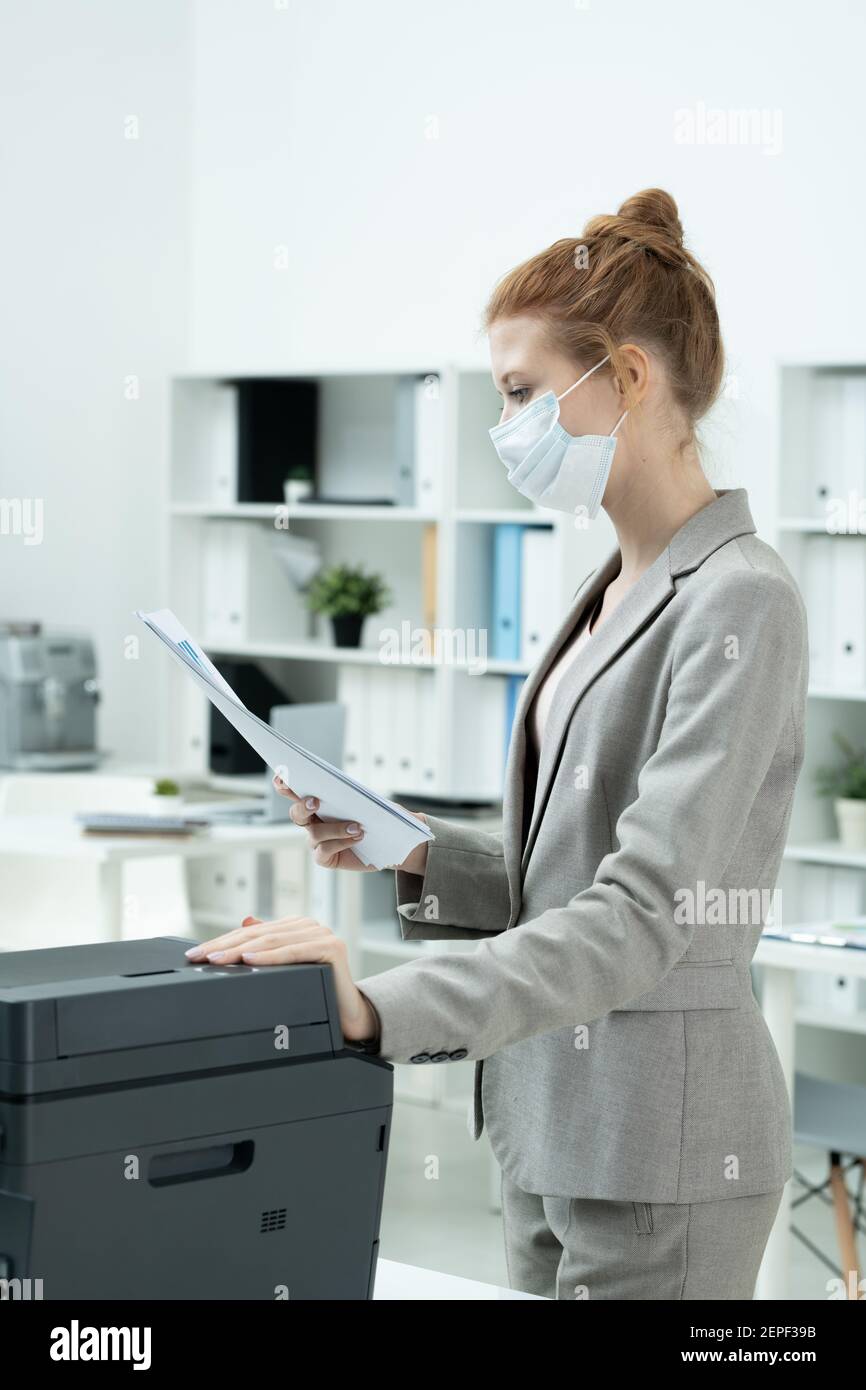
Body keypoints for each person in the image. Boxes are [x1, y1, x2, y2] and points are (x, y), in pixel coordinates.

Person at [187, 188, 808, 1301]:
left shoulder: (739, 600)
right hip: (545, 1125)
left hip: (660, 1146)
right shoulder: (606, 589)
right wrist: (418, 851)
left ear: (624, 377)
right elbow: (569, 870)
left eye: (521, 393)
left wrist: (382, 1005)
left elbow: (639, 916)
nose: (504, 426)